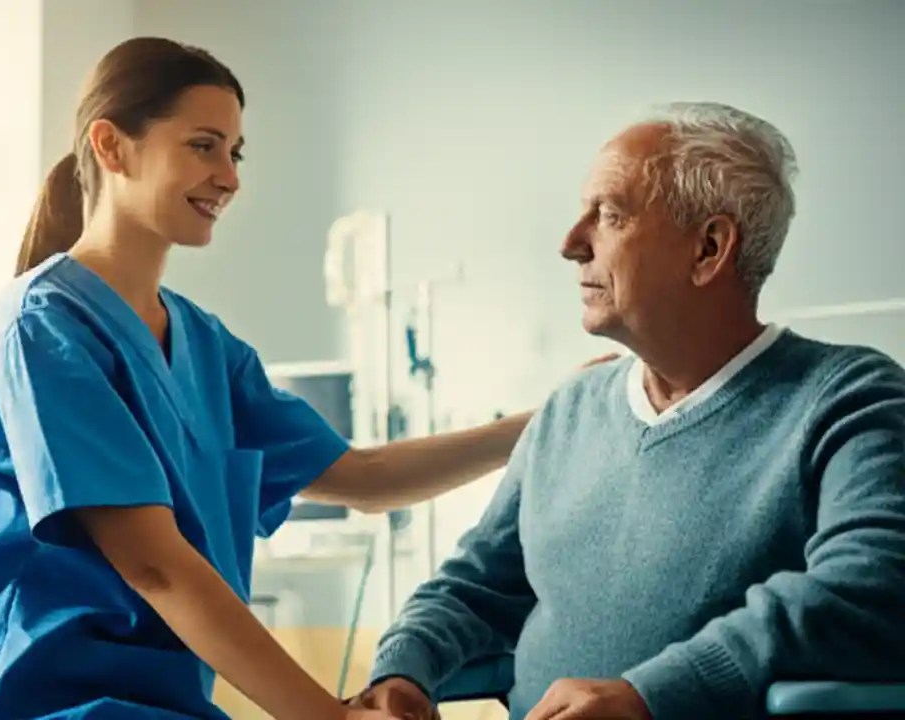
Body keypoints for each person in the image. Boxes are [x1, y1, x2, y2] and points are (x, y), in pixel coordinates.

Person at [0, 36, 566, 720]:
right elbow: (154, 565)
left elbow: (364, 478)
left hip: (162, 701)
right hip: (43, 700)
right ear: (111, 147)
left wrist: (550, 419)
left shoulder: (207, 346)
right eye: (203, 146)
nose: (229, 176)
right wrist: (329, 716)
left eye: (235, 152)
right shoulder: (41, 325)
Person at [350, 102, 905, 720]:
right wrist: (404, 669)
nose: (570, 244)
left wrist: (652, 696)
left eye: (610, 215)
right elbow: (476, 587)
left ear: (709, 249)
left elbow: (875, 588)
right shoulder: (570, 410)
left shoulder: (848, 396)